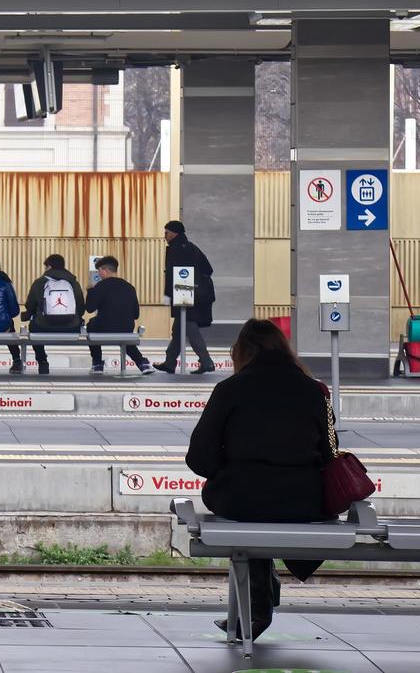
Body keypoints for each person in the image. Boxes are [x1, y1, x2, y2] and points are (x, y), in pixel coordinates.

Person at [185, 319, 334, 639]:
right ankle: (256, 607)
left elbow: (199, 457)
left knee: (250, 507)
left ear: (241, 352)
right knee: (263, 503)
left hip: (242, 497)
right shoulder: (314, 391)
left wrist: (231, 465)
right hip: (303, 500)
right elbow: (330, 455)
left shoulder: (230, 389)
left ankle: (257, 607)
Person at [155, 220, 217, 374]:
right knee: (178, 330)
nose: (165, 236)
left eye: (167, 233)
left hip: (186, 296)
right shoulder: (192, 247)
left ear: (174, 233)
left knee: (189, 328)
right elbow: (208, 269)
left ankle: (206, 361)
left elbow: (172, 276)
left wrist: (168, 295)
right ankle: (170, 363)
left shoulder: (176, 249)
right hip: (195, 295)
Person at [85, 256, 152, 376]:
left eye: (99, 271)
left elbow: (89, 308)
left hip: (104, 328)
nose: (99, 274)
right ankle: (142, 363)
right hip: (126, 328)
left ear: (105, 270)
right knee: (125, 337)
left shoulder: (100, 286)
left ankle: (97, 364)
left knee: (91, 325)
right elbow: (136, 315)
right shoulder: (129, 287)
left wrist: (90, 291)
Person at [21, 254, 85, 376]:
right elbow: (81, 307)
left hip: (43, 327)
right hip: (71, 328)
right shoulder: (73, 283)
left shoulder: (40, 282)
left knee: (33, 327)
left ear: (49, 266)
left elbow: (30, 305)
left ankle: (42, 361)